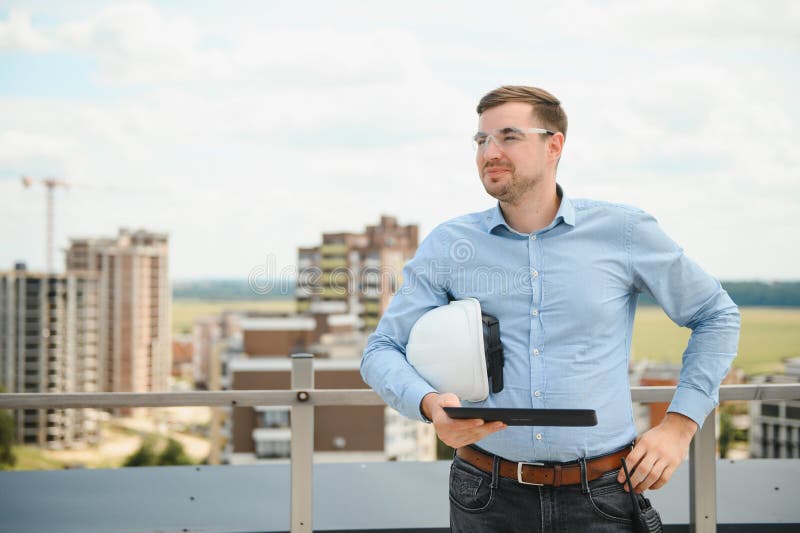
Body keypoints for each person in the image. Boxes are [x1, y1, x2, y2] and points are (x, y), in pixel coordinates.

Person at [360, 85, 740, 532]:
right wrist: (429, 405)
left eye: (508, 137)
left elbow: (716, 315)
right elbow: (381, 349)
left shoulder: (625, 232)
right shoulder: (450, 245)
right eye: (481, 141)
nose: (490, 152)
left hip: (604, 494)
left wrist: (679, 425)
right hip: (485, 494)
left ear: (554, 145)